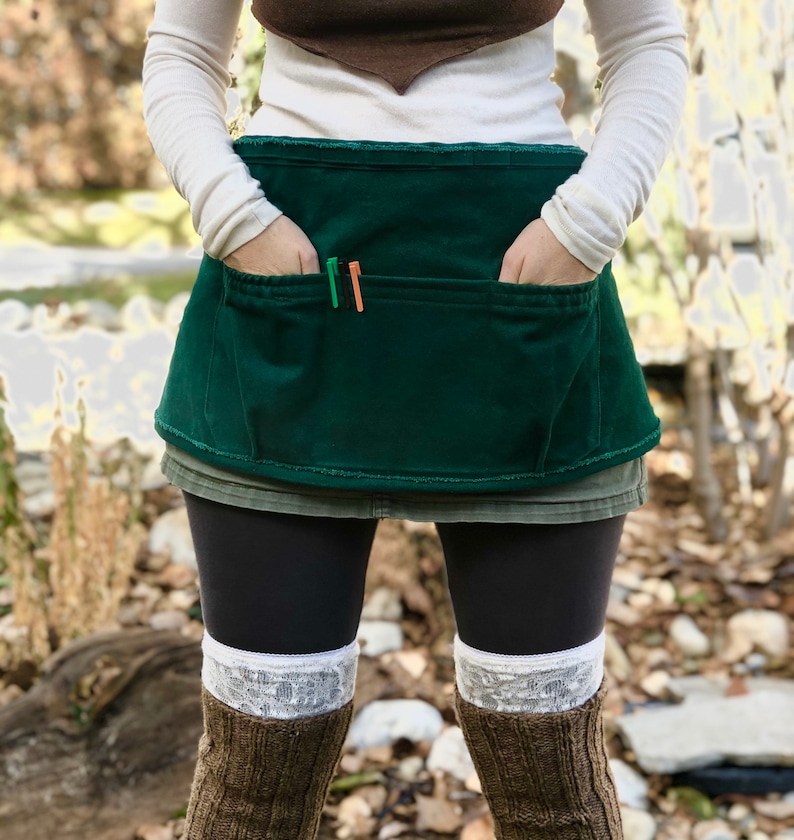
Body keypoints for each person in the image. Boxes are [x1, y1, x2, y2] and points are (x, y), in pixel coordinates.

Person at [142, 1, 688, 837]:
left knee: (552, 787)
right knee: (256, 784)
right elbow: (181, 49)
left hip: (525, 279)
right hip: (287, 278)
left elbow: (648, 41)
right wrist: (236, 220)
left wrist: (586, 226)